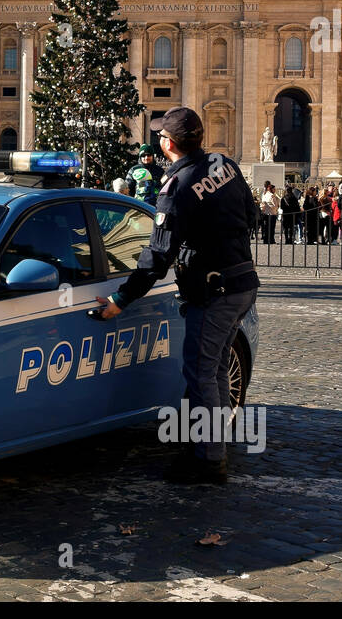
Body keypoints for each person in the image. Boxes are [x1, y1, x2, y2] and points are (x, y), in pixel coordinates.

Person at [93, 107, 258, 484]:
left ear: (168, 144)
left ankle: (208, 462)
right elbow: (251, 216)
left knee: (201, 372)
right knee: (215, 370)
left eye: (160, 136)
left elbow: (156, 257)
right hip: (243, 283)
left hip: (214, 292)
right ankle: (210, 449)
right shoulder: (225, 164)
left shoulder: (175, 188)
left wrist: (121, 299)